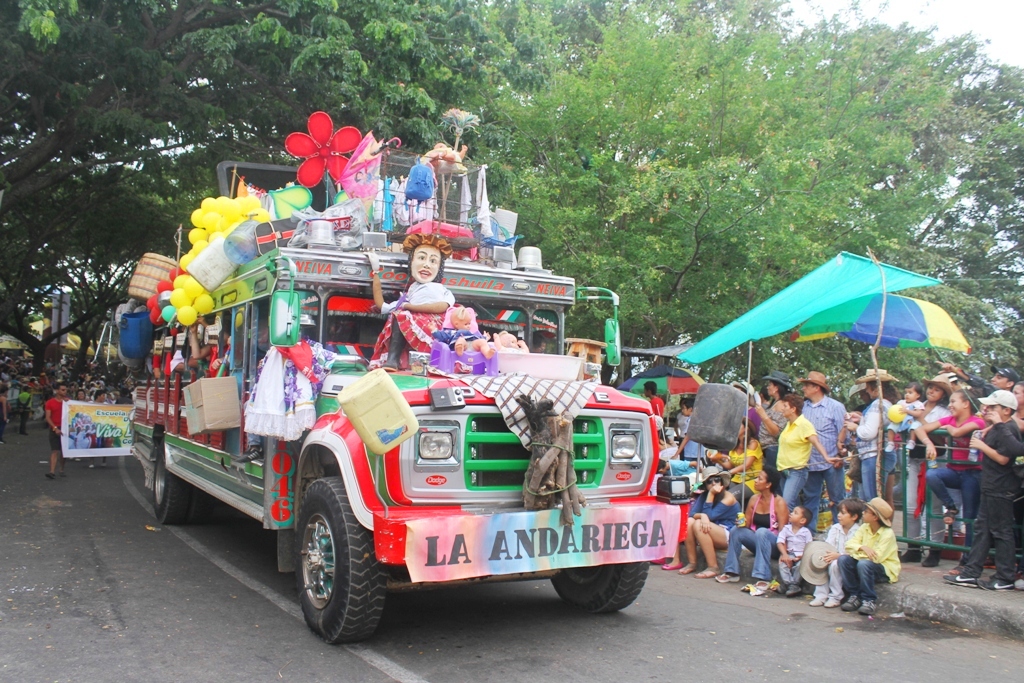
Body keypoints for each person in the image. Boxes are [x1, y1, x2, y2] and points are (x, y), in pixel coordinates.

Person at [943, 390, 1024, 590]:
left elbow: (1006, 457)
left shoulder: (1008, 428)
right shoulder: (998, 427)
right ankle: (971, 572)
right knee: (982, 529)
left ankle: (1005, 577)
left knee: (1001, 532)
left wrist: (981, 445)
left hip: (1001, 488)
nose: (988, 410)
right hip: (990, 486)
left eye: (993, 407)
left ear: (1006, 410)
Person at [915, 389, 987, 552]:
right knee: (932, 475)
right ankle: (950, 506)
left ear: (966, 404)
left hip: (972, 473)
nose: (950, 405)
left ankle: (968, 557)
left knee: (969, 517)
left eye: (954, 401)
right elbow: (920, 429)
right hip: (953, 470)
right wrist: (929, 443)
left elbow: (956, 432)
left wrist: (946, 426)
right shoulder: (950, 419)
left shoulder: (978, 422)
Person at [370, 234, 454, 371]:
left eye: (433, 261)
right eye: (421, 258)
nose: (427, 265)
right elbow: (382, 306)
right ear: (411, 261)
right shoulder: (410, 294)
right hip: (411, 319)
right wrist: (376, 271)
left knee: (402, 315)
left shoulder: (442, 290)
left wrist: (410, 307)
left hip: (434, 327)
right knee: (399, 315)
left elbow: (442, 306)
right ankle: (393, 360)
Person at [902, 375, 953, 566]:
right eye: (930, 388)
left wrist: (921, 420)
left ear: (942, 395)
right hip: (915, 459)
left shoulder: (943, 412)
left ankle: (935, 548)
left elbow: (941, 439)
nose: (932, 391)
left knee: (935, 506)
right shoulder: (914, 404)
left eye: (937, 389)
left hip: (934, 461)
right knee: (910, 504)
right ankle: (913, 546)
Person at [717, 468, 790, 585]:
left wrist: (784, 553)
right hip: (758, 543)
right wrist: (741, 522)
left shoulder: (779, 502)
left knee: (762, 531)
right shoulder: (754, 499)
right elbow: (748, 525)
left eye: (760, 479)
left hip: (775, 546)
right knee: (736, 530)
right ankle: (731, 572)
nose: (755, 481)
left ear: (768, 484)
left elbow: (784, 531)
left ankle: (763, 577)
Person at [667, 466, 739, 577]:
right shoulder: (704, 495)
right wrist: (702, 515)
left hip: (728, 535)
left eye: (717, 479)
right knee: (691, 521)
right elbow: (691, 514)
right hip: (710, 529)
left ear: (721, 482)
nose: (714, 483)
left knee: (698, 524)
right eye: (710, 481)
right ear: (705, 485)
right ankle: (692, 563)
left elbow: (710, 516)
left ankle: (713, 567)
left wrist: (711, 495)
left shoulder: (728, 498)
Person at [798, 371, 847, 530]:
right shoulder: (803, 408)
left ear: (817, 388)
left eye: (807, 385)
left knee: (837, 499)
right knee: (811, 498)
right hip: (810, 461)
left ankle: (841, 532)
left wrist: (841, 455)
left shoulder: (836, 407)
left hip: (832, 461)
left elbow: (844, 431)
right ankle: (808, 534)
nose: (804, 388)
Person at [839, 497, 900, 616]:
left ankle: (869, 600)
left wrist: (857, 551)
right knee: (843, 559)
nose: (863, 513)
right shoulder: (864, 528)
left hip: (884, 568)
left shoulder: (887, 534)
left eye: (866, 512)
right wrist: (862, 547)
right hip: (865, 563)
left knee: (864, 564)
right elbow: (849, 545)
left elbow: (876, 557)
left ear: (875, 517)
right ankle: (854, 595)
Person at [844, 369, 897, 502]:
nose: (866, 391)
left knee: (872, 498)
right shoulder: (885, 404)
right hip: (875, 454)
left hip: (873, 455)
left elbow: (869, 432)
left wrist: (855, 428)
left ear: (875, 388)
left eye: (868, 388)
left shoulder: (877, 405)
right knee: (874, 497)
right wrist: (861, 419)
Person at [775, 393, 832, 511]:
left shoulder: (804, 424)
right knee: (790, 504)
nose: (782, 409)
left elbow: (816, 442)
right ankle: (792, 528)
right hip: (783, 470)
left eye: (785, 406)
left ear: (793, 409)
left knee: (786, 504)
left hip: (796, 471)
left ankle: (787, 528)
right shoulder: (788, 424)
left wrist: (826, 457)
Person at [810, 498, 865, 607]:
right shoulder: (835, 528)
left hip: (847, 561)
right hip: (833, 555)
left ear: (854, 517)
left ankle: (835, 596)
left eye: (843, 513)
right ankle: (821, 595)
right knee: (822, 561)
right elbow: (828, 545)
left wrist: (838, 556)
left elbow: (855, 552)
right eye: (839, 512)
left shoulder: (859, 531)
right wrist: (828, 554)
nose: (839, 515)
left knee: (835, 564)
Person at [713, 421, 762, 499]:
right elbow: (731, 465)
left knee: (728, 497)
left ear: (746, 429)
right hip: (737, 479)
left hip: (752, 481)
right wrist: (718, 460)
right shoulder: (734, 445)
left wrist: (729, 473)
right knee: (718, 493)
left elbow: (747, 465)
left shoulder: (753, 443)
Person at [754, 371, 791, 470]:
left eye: (770, 384)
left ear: (776, 388)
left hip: (773, 449)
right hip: (768, 449)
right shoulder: (775, 403)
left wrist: (763, 415)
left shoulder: (781, 405)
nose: (767, 387)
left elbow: (776, 432)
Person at [777, 505, 814, 597]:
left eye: (795, 513)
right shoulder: (786, 529)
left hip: (801, 556)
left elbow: (810, 546)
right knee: (782, 565)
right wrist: (784, 555)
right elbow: (780, 542)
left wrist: (802, 556)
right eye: (792, 512)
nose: (791, 514)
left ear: (802, 520)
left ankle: (794, 584)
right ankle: (788, 583)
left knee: (800, 566)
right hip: (789, 554)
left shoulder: (806, 532)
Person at [940, 362, 1019, 398]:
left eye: (999, 378)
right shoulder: (986, 395)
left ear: (1009, 384)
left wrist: (956, 371)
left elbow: (981, 384)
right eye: (994, 376)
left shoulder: (1014, 403)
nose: (992, 379)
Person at [44, 383, 69, 479]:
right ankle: (52, 471)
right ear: (57, 391)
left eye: (65, 390)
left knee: (64, 452)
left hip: (65, 428)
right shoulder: (50, 402)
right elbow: (48, 417)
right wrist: (55, 428)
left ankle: (61, 469)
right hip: (55, 428)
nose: (64, 391)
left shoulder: (68, 402)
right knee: (54, 450)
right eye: (62, 390)